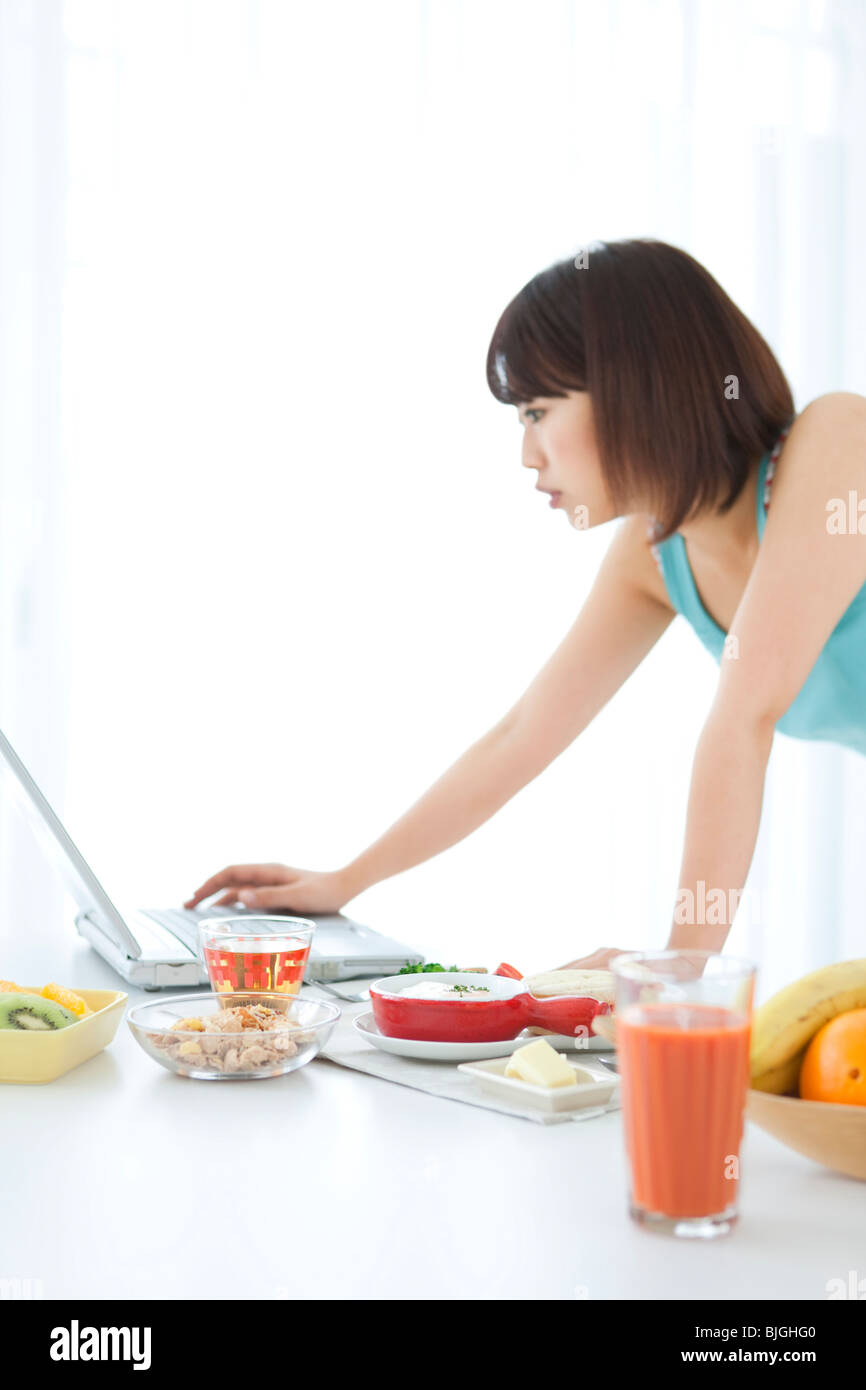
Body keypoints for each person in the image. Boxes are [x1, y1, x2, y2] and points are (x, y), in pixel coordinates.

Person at [184, 239, 866, 970]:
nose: (527, 454)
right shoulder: (655, 554)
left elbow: (743, 716)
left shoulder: (837, 441)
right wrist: (347, 880)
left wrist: (683, 970)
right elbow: (522, 736)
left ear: (643, 384)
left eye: (539, 411)